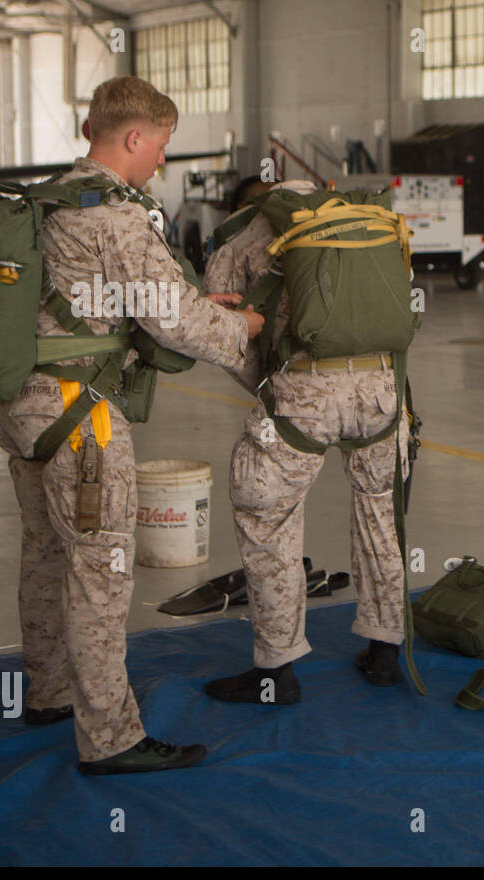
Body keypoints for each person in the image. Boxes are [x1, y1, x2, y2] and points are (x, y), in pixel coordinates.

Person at [0, 76, 265, 774]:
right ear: (134, 138)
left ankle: (49, 693)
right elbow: (172, 319)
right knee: (101, 571)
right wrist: (241, 325)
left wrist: (198, 294)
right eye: (162, 146)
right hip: (80, 422)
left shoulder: (50, 197)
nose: (162, 162)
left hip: (21, 409)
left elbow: (116, 294)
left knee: (46, 554)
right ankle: (110, 738)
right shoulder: (116, 214)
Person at [201, 178, 414, 699]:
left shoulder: (243, 238)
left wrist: (271, 386)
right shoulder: (369, 221)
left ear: (252, 201)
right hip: (383, 393)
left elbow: (226, 336)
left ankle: (276, 670)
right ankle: (385, 650)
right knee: (381, 513)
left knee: (268, 518)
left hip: (301, 395)